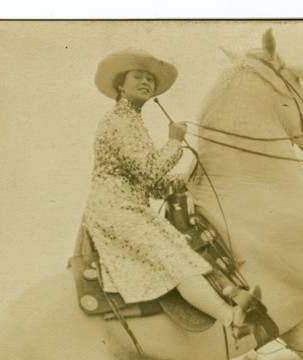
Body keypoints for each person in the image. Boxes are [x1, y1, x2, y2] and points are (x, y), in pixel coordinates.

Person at [82, 49, 252, 340]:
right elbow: (149, 172)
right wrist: (174, 142)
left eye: (150, 79)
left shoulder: (133, 122)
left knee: (181, 253)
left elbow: (150, 183)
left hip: (131, 206)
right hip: (116, 211)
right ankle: (229, 317)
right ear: (121, 85)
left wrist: (187, 177)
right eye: (138, 76)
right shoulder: (119, 122)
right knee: (174, 260)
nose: (146, 82)